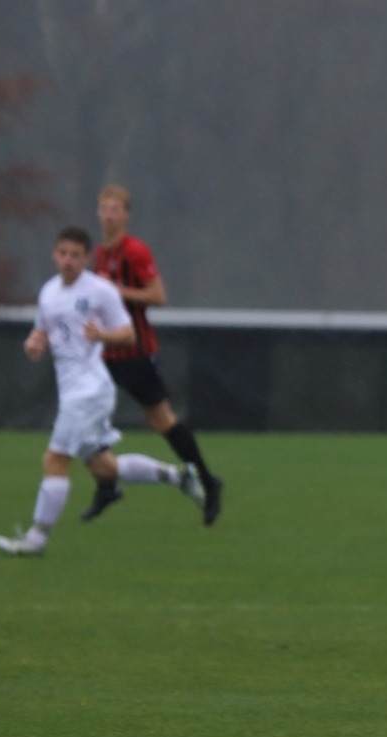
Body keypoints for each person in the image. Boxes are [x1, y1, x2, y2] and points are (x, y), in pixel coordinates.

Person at [0, 227, 203, 556]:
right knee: (105, 467)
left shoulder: (100, 291)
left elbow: (129, 334)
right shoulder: (48, 292)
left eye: (75, 255)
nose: (68, 261)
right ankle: (178, 476)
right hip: (72, 391)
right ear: (54, 254)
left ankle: (36, 539)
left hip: (90, 391)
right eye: (62, 253)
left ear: (86, 258)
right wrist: (34, 343)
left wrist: (101, 335)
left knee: (55, 459)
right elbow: (41, 331)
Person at [92, 184, 222, 525]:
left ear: (126, 214)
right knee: (86, 415)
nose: (109, 215)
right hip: (105, 353)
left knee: (161, 420)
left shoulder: (134, 251)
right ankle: (106, 486)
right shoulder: (99, 254)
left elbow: (158, 296)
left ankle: (208, 480)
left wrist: (118, 292)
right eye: (104, 208)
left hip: (135, 352)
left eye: (115, 209)